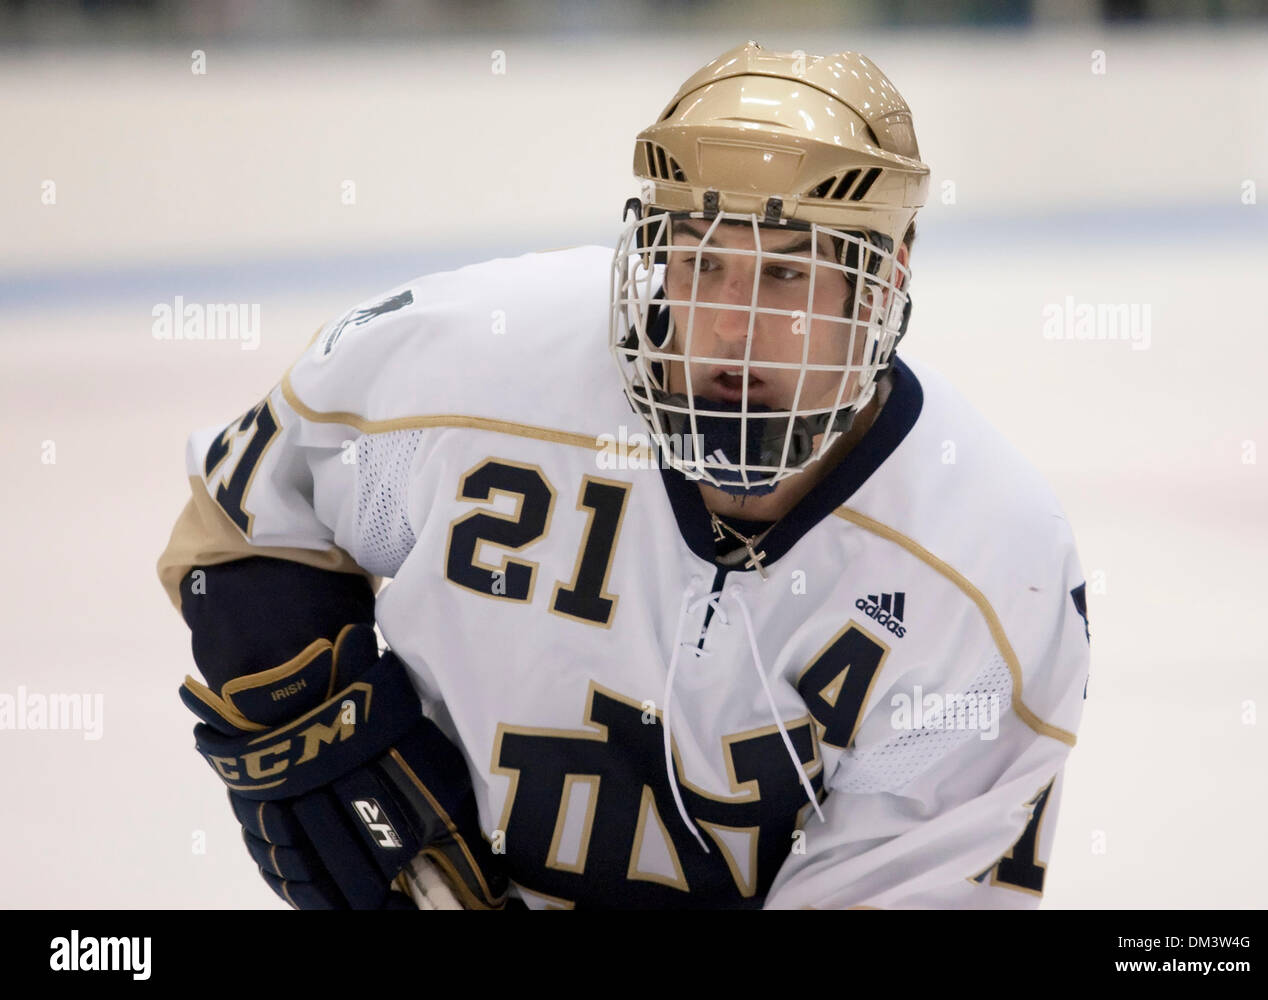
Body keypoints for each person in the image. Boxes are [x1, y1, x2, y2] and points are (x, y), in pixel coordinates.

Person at [158, 40, 1089, 910]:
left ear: (886, 277)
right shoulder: (474, 365)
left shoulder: (988, 570)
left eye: (787, 275)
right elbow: (249, 518)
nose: (728, 323)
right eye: (701, 260)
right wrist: (309, 718)